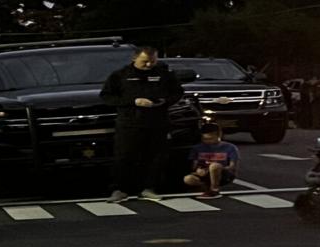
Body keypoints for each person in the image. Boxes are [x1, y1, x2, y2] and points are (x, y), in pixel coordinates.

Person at [100, 46, 184, 202]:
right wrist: (133, 102)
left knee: (155, 156)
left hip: (157, 122)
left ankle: (149, 188)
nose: (148, 65)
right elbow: (106, 96)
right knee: (124, 156)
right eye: (144, 62)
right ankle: (119, 189)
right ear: (134, 58)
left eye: (152, 61)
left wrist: (165, 101)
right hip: (129, 123)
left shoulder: (164, 74)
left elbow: (177, 93)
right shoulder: (120, 75)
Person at [182, 123, 239, 200]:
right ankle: (206, 189)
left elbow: (232, 166)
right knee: (188, 179)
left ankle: (214, 190)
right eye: (205, 139)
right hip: (205, 173)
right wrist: (197, 170)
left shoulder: (230, 147)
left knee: (214, 166)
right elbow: (194, 165)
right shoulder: (197, 148)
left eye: (211, 138)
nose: (207, 141)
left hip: (222, 173)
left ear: (219, 135)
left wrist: (222, 168)